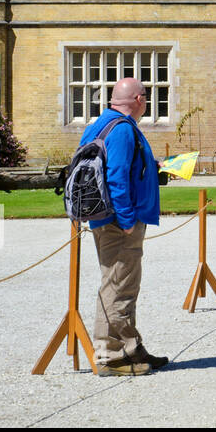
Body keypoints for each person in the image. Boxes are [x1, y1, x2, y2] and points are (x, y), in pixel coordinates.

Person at [82, 77, 165, 376]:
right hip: (118, 223)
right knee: (119, 287)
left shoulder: (101, 124)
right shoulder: (123, 129)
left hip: (107, 219)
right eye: (146, 98)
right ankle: (112, 356)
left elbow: (119, 169)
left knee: (119, 284)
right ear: (139, 100)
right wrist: (128, 220)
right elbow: (116, 177)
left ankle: (130, 347)